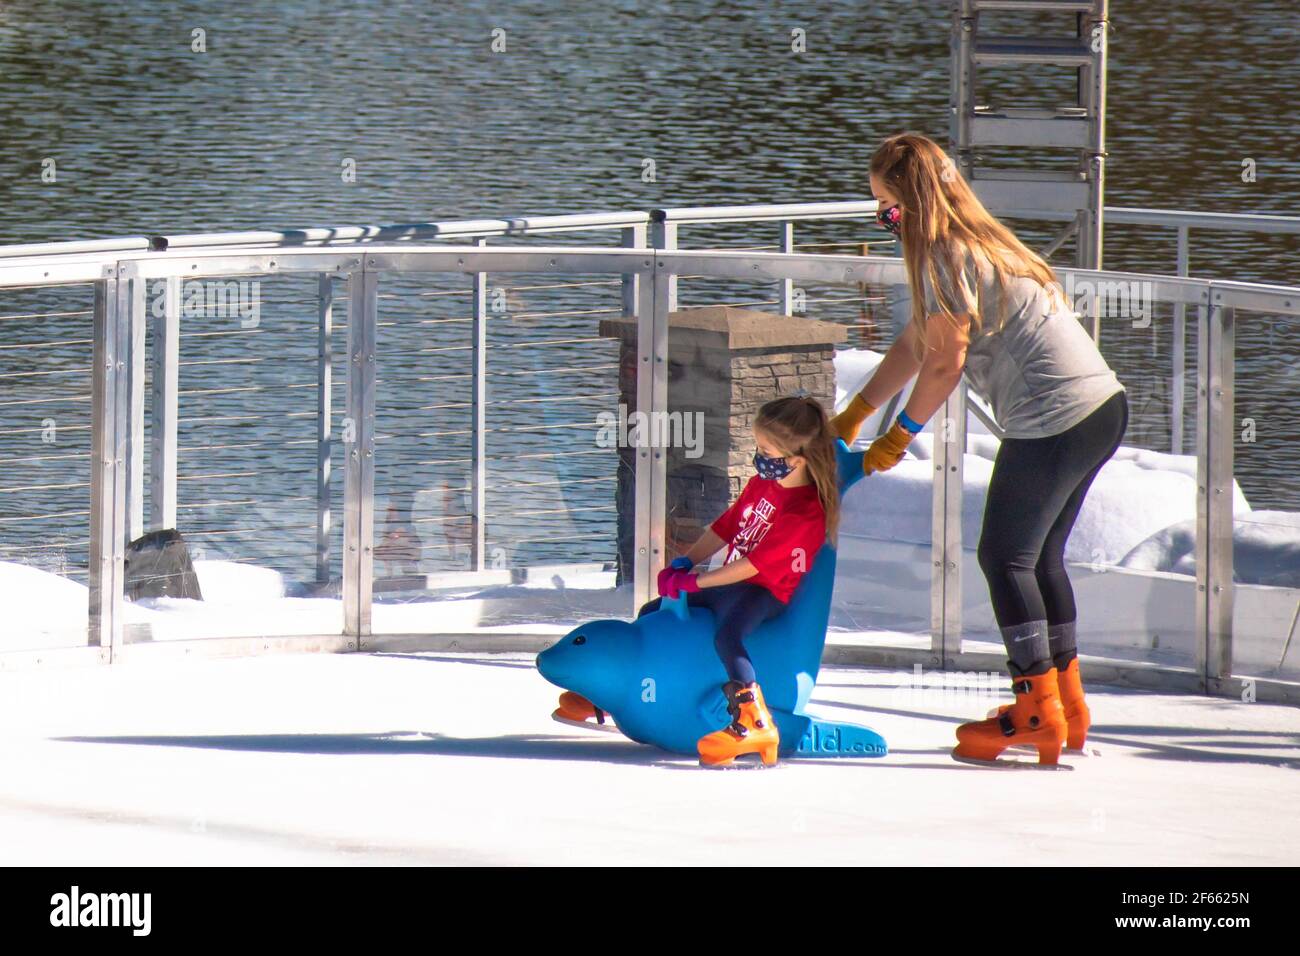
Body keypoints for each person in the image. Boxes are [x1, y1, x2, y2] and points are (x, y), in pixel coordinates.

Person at [831, 131, 1128, 767]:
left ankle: (1034, 712)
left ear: (911, 203)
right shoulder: (979, 243)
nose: (885, 223)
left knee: (1004, 557)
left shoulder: (944, 255)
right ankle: (1065, 706)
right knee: (1041, 559)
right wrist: (856, 411)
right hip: (1102, 407)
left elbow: (944, 365)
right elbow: (917, 345)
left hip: (1056, 419)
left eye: (887, 210)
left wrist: (896, 437)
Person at [554, 395, 840, 768]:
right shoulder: (762, 485)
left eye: (766, 450)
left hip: (765, 591)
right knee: (654, 609)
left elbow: (754, 566)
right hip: (735, 583)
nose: (759, 456)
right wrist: (687, 561)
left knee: (728, 636)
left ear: (796, 460)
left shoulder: (805, 512)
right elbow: (725, 527)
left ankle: (754, 719)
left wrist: (697, 583)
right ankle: (606, 693)